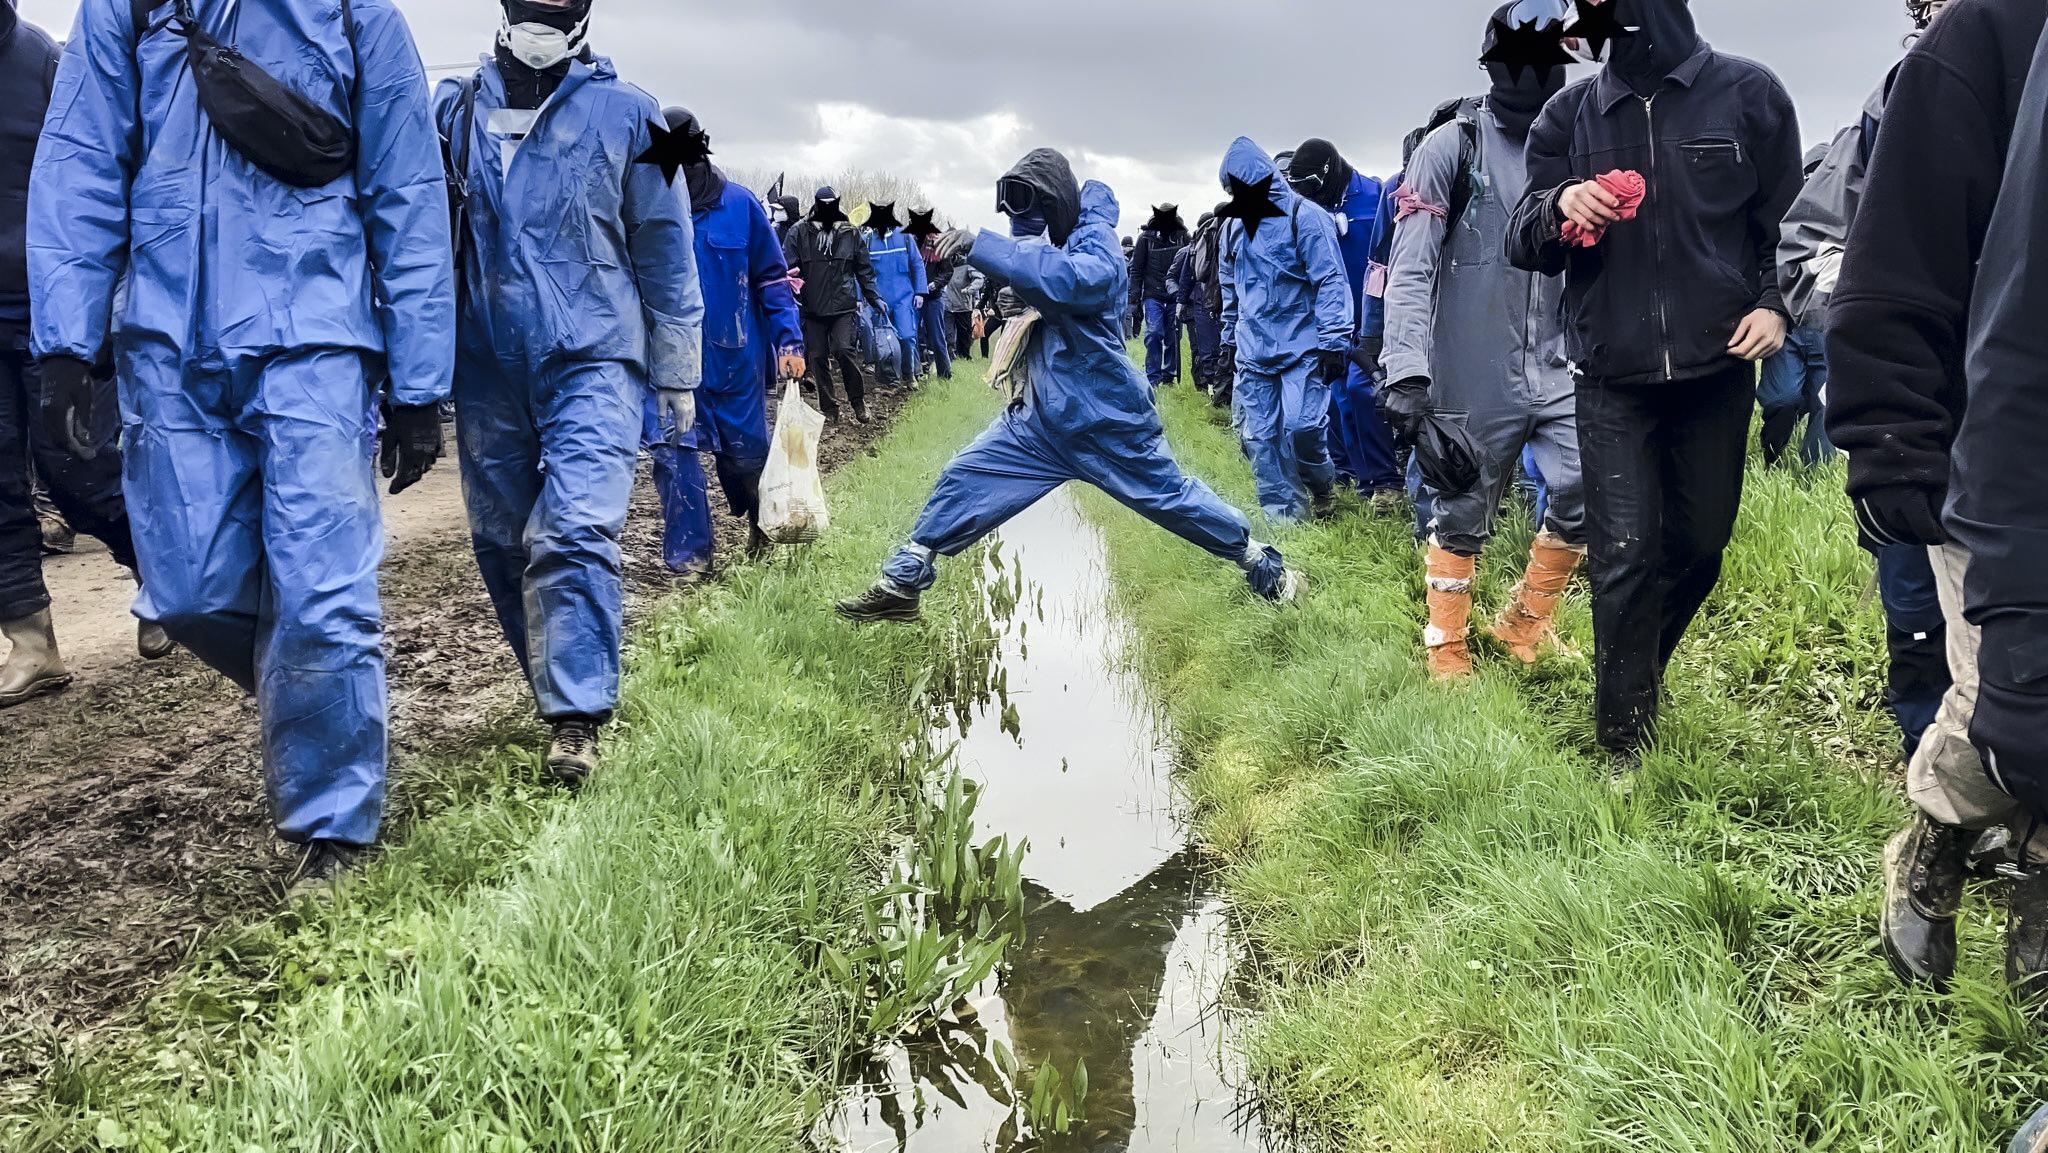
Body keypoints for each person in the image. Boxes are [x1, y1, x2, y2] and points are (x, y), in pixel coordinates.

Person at [32, 0, 453, 885]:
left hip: (317, 331)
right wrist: (66, 343)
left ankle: (334, 830)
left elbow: (406, 188)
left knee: (320, 585)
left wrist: (419, 381)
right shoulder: (128, 7)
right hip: (167, 338)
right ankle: (329, 699)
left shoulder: (354, 11)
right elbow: (79, 159)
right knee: (183, 591)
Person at [1506, 0, 1802, 770]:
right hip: (1612, 375)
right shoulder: (1567, 117)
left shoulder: (1751, 96)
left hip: (1718, 367)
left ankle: (1636, 668)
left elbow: (1788, 228)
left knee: (1700, 547)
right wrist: (1559, 205)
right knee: (1625, 554)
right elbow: (1522, 235)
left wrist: (1776, 306)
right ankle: (1622, 742)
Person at [1825, 0, 2048, 994]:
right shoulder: (1976, 45)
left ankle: (2038, 878)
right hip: (1987, 459)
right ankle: (1934, 832)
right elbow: (1892, 266)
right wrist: (1889, 443)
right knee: (1999, 681)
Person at [835, 149, 1298, 621]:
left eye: (1029, 221)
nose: (1024, 234)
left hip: (1106, 421)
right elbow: (1037, 275)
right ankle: (904, 579)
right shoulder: (1053, 239)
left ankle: (1261, 561)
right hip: (1042, 419)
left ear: (1054, 205)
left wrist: (987, 249)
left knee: (1171, 501)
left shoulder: (1096, 247)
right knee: (966, 475)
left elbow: (1075, 283)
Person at [438, 0, 703, 788]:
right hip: (484, 362)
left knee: (576, 527)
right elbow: (416, 236)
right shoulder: (452, 111)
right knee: (501, 540)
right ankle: (555, 684)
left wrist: (677, 367)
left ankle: (575, 717)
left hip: (595, 356)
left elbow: (665, 243)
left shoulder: (638, 118)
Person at [1379, 5, 1586, 681]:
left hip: (1560, 361)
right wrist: (1406, 372)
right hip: (1469, 367)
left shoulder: (1580, 142)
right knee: (1462, 502)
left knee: (1588, 481)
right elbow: (1410, 266)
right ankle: (1446, 644)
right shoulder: (1451, 147)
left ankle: (1524, 625)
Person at [1779, 0, 1953, 763]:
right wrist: (1882, 315)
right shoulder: (1890, 110)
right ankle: (1934, 779)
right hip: (1920, 419)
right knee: (1918, 606)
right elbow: (1807, 251)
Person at [1, 0, 167, 709]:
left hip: (52, 309)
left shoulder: (42, 59)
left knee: (81, 467)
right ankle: (32, 644)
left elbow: (97, 175)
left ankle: (161, 583)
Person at [641, 108, 803, 581]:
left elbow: (772, 280)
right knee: (675, 457)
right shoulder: (646, 206)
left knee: (745, 461)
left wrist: (789, 341)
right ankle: (691, 562)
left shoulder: (741, 206)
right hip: (668, 363)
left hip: (734, 362)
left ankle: (760, 525)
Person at [1218, 138, 1352, 525]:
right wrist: (1230, 338)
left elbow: (1330, 280)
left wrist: (1333, 340)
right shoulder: (1234, 228)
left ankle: (1322, 486)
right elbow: (1233, 288)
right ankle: (1285, 521)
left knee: (1303, 427)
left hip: (1304, 347)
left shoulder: (1305, 217)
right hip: (1253, 350)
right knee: (1259, 439)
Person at [1285, 139, 1403, 503]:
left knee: (1360, 392)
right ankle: (1352, 474)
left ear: (1329, 174)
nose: (1306, 195)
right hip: (1332, 322)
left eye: (1311, 187)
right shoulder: (1306, 211)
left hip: (1371, 320)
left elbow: (1390, 261)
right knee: (1335, 398)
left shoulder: (1376, 197)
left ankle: (1385, 482)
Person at [1757, 144, 1841, 471]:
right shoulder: (1781, 216)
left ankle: (1810, 477)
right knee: (1782, 400)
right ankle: (1772, 461)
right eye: (1810, 173)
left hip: (1829, 331)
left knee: (1826, 408)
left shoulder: (1852, 212)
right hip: (1788, 328)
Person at [784, 187, 885, 424]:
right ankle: (829, 408)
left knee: (844, 351)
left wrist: (874, 297)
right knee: (817, 357)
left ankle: (858, 402)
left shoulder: (849, 232)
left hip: (842, 305)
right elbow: (785, 268)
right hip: (813, 308)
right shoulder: (799, 232)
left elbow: (864, 269)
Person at [864, 202, 927, 387]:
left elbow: (917, 264)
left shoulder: (905, 237)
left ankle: (909, 374)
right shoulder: (867, 240)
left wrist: (920, 292)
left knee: (907, 337)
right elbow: (861, 270)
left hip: (903, 298)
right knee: (882, 340)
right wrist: (861, 298)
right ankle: (886, 379)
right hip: (878, 300)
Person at [1128, 204, 1188, 388]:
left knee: (1173, 336)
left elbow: (1189, 266)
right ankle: (1152, 377)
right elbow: (1136, 270)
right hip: (1152, 295)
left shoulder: (1183, 237)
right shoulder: (1145, 239)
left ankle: (1168, 376)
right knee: (1154, 334)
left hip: (1174, 296)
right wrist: (1134, 297)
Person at [1167, 211, 1226, 396]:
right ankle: (1202, 386)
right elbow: (1175, 278)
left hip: (1208, 304)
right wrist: (1181, 299)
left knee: (1210, 348)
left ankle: (1213, 387)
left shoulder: (1219, 245)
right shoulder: (1187, 252)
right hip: (1194, 307)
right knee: (1198, 349)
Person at [908, 208, 954, 382]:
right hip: (912, 297)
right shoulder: (909, 240)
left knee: (937, 337)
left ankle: (945, 376)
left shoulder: (939, 243)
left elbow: (948, 272)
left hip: (933, 298)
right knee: (910, 334)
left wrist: (933, 284)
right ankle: (915, 372)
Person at [944, 259, 987, 362]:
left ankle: (964, 357)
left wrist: (969, 289)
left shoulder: (967, 265)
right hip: (947, 306)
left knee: (964, 335)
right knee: (948, 334)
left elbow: (979, 279)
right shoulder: (945, 264)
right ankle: (950, 356)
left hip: (963, 307)